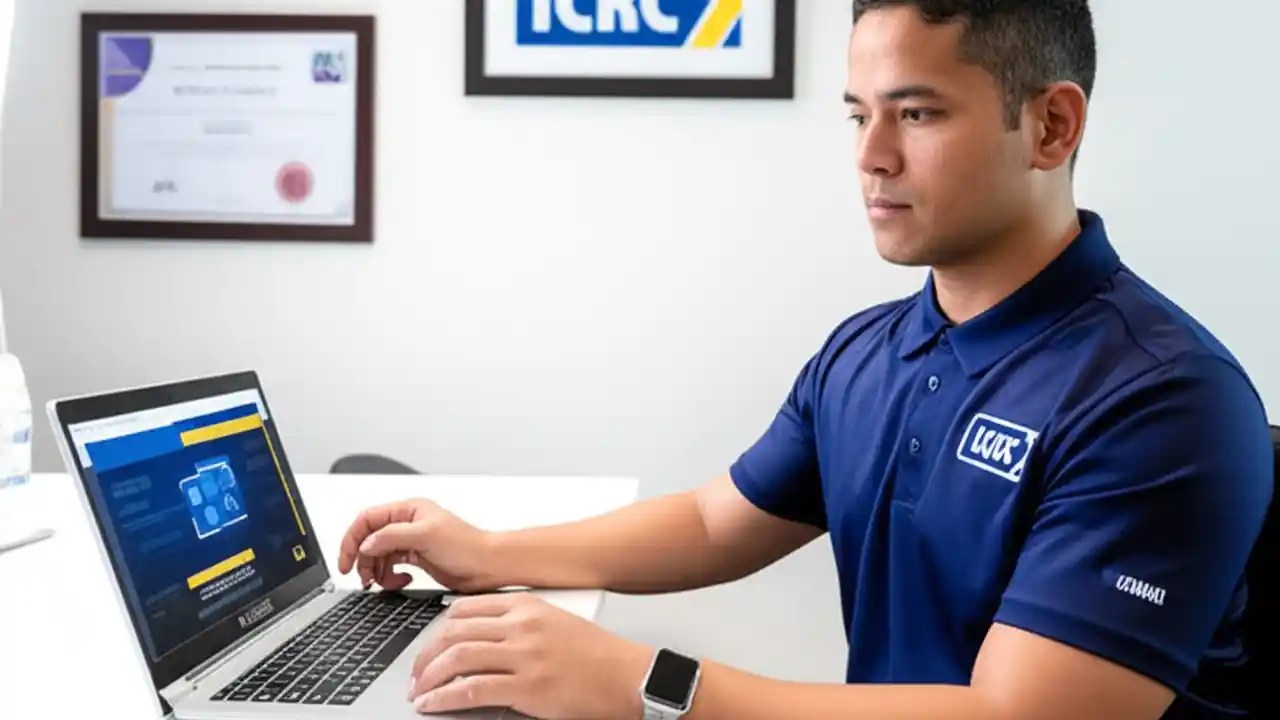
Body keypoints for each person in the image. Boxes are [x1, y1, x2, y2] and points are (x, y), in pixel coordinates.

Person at [338, 2, 1273, 718]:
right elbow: (714, 522)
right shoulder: (866, 352)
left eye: (917, 113)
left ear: (1052, 127)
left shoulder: (1164, 401)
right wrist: (487, 554)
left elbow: (1016, 717)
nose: (871, 156)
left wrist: (644, 683)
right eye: (858, 115)